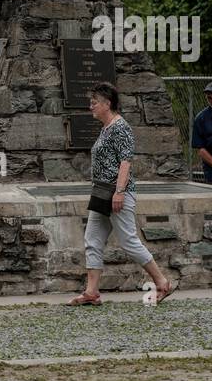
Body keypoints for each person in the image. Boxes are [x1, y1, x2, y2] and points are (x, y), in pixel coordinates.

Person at [67, 82, 176, 306]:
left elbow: (125, 162)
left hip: (116, 194)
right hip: (101, 195)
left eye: (94, 102)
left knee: (128, 241)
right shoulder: (106, 128)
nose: (91, 106)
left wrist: (120, 192)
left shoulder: (120, 127)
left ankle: (162, 283)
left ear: (107, 104)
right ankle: (91, 292)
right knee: (92, 239)